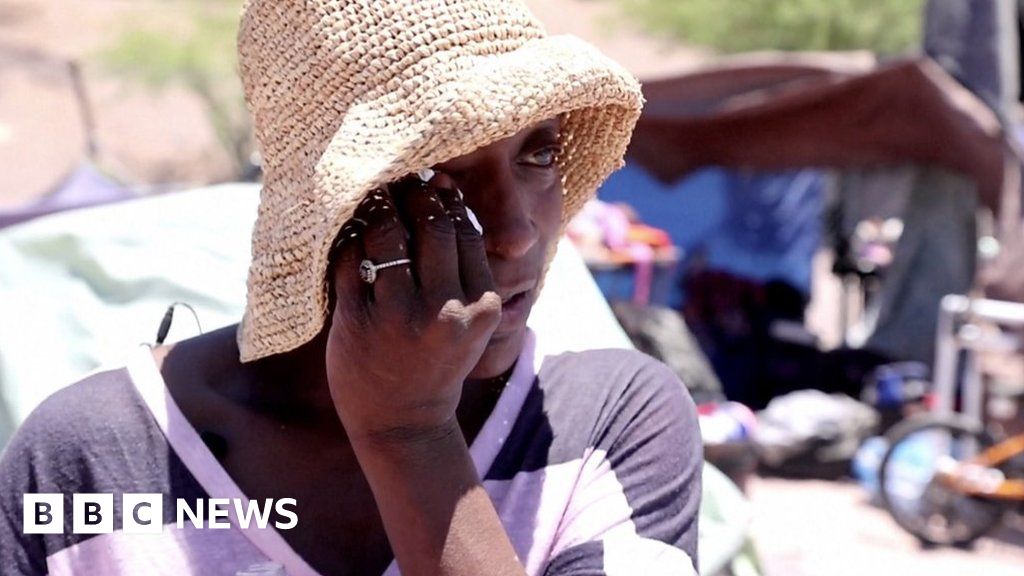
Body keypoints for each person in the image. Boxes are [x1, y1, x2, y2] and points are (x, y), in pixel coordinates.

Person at [0, 1, 702, 575]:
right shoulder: (94, 460)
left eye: (538, 151)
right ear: (324, 210)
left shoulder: (606, 425)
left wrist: (409, 433)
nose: (516, 232)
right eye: (440, 177)